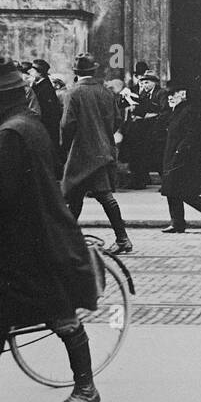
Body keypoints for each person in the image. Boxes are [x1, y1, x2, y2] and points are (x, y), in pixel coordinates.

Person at [0, 58, 104, 402]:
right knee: (0, 321)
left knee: (51, 317)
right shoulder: (29, 125)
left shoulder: (9, 134)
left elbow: (0, 193)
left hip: (25, 242)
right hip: (35, 237)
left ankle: (87, 389)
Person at [60, 53, 132, 255]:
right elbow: (118, 120)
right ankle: (120, 238)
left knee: (83, 196)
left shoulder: (73, 93)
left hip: (81, 153)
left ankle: (122, 239)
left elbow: (67, 124)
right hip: (102, 151)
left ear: (76, 72)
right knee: (82, 197)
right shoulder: (106, 92)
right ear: (93, 71)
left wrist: (64, 147)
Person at [159, 80, 201, 233]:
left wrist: (180, 152)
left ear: (183, 94)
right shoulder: (175, 111)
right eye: (168, 96)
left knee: (186, 193)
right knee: (171, 190)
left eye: (173, 94)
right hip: (172, 156)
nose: (170, 98)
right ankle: (177, 223)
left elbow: (191, 135)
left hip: (184, 158)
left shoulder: (188, 111)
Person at [125, 71, 166, 189]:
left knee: (159, 158)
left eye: (147, 82)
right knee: (141, 156)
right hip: (144, 132)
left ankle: (167, 184)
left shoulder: (161, 93)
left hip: (158, 132)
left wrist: (150, 116)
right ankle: (139, 181)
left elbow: (164, 112)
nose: (144, 85)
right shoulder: (143, 95)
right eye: (142, 83)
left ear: (154, 82)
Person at [27, 58, 62, 157]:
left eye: (32, 70)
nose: (30, 72)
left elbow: (50, 112)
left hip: (46, 128)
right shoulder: (39, 85)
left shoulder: (45, 88)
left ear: (39, 73)